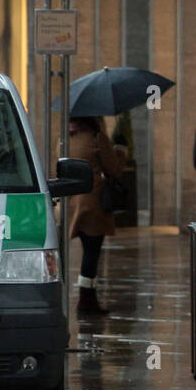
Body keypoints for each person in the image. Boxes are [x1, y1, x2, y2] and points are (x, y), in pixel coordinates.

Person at [68, 115, 125, 313]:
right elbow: (114, 170)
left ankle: (87, 297)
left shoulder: (64, 137)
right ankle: (86, 299)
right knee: (92, 252)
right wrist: (120, 151)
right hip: (92, 202)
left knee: (87, 250)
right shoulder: (96, 138)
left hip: (72, 202)